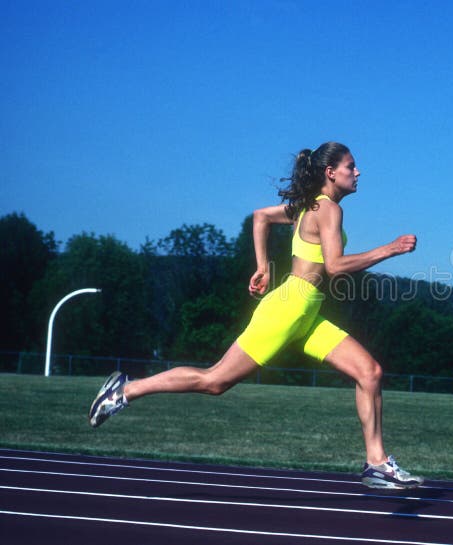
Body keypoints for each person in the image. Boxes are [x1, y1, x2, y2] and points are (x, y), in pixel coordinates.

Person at [88, 142, 422, 489]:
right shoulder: (328, 210)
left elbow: (260, 217)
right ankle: (125, 391)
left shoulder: (309, 206)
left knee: (369, 372)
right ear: (330, 172)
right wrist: (390, 248)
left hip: (306, 311)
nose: (357, 172)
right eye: (351, 166)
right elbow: (336, 266)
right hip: (290, 308)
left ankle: (376, 463)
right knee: (215, 380)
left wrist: (263, 267)